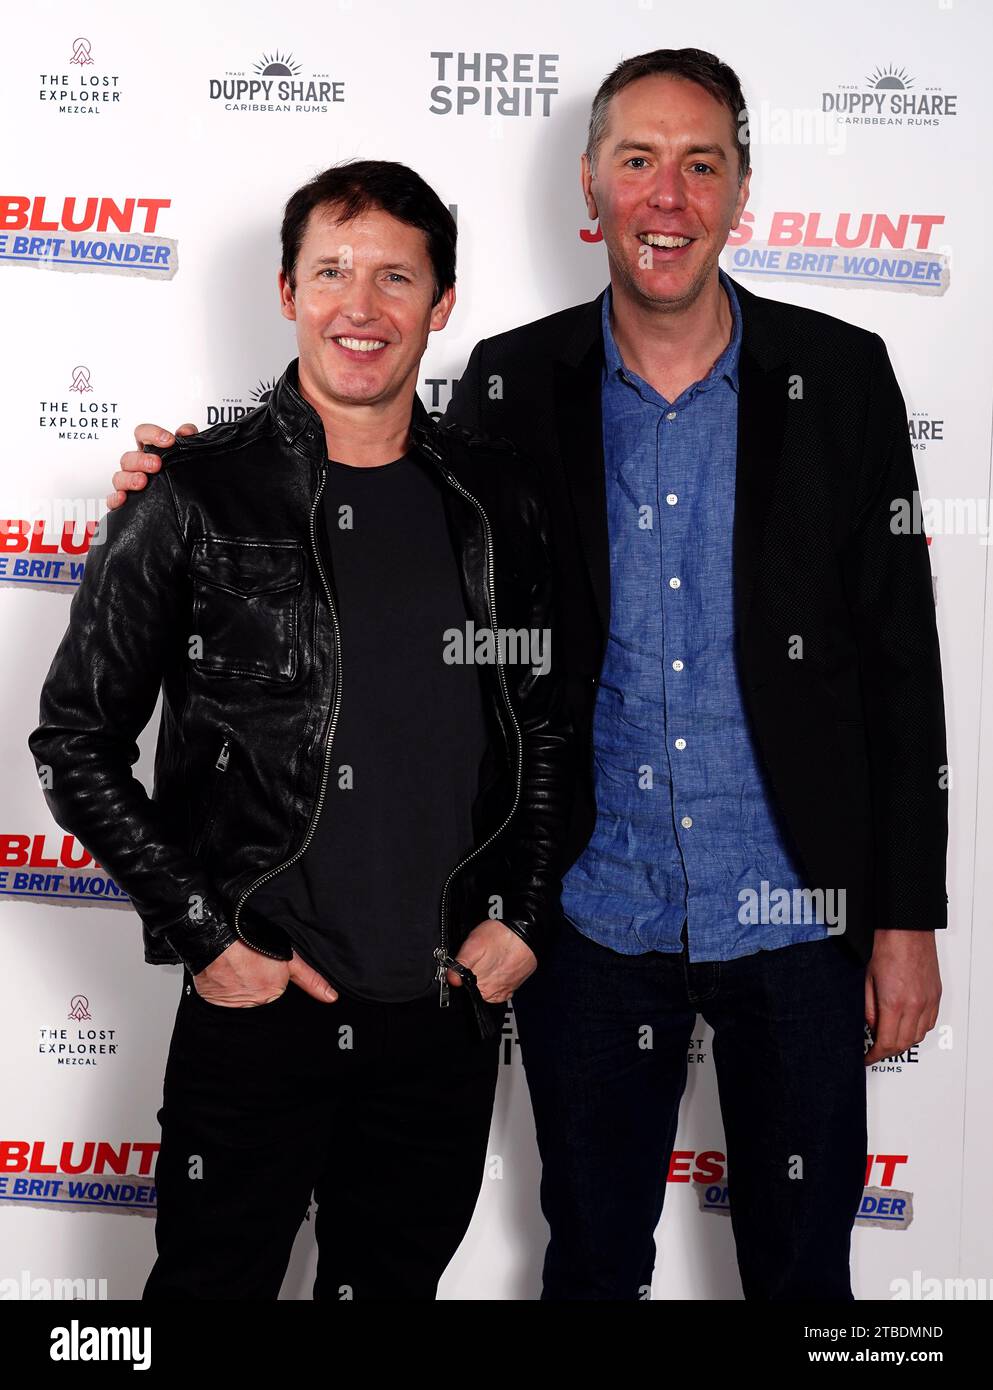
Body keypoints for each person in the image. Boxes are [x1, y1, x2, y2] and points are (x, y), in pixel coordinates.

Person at [108, 49, 948, 1302]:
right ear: (591, 189)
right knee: (595, 1259)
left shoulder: (841, 375)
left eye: (700, 165)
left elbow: (900, 656)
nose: (668, 195)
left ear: (741, 192)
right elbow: (381, 475)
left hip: (795, 913)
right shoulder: (512, 377)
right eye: (638, 162)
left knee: (804, 1271)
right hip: (589, 916)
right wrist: (193, 481)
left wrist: (906, 916)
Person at [30, 159, 571, 1301]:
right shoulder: (193, 494)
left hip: (440, 1013)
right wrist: (204, 934)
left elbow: (544, 724)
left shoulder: (497, 498)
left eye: (393, 277)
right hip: (261, 1006)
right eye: (330, 271)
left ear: (443, 302)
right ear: (286, 291)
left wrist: (521, 917)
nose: (359, 308)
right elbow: (76, 736)